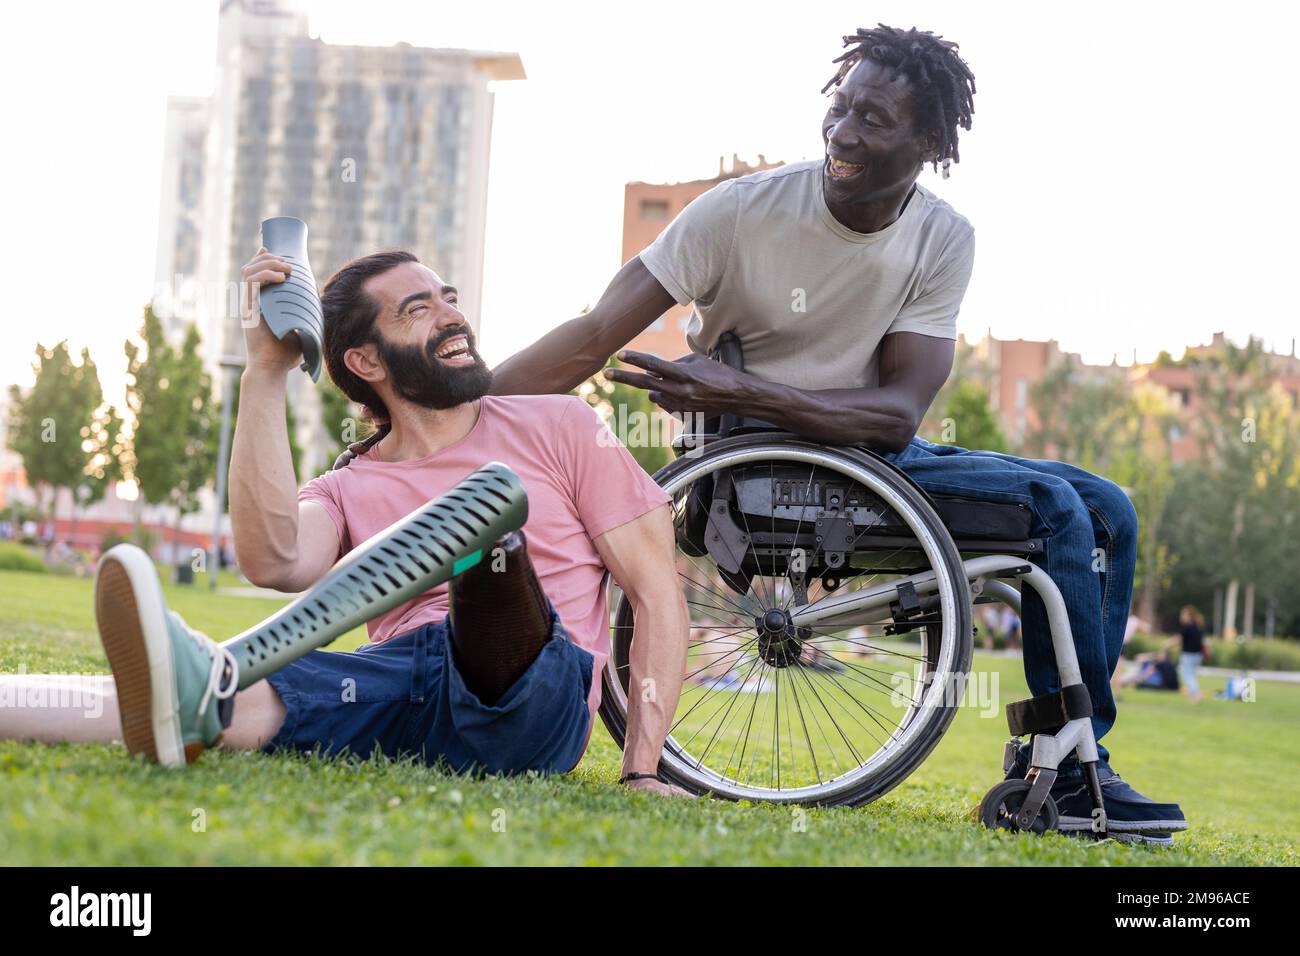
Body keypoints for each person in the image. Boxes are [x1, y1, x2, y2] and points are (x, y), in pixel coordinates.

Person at [488, 24, 1185, 841]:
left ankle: (1068, 750)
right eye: (839, 108)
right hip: (768, 470)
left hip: (875, 453)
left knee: (1108, 505)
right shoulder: (742, 211)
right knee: (1061, 513)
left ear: (928, 140)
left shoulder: (941, 236)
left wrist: (736, 382)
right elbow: (592, 334)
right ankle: (1070, 774)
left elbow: (897, 414)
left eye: (874, 119)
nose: (843, 134)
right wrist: (456, 413)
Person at [0, 248, 692, 796]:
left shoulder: (561, 425)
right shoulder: (345, 485)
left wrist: (642, 770)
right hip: (399, 692)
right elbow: (274, 560)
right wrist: (263, 372)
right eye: (417, 310)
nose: (451, 315)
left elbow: (658, 593)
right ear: (365, 361)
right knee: (201, 700)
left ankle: (466, 539)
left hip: (530, 701)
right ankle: (212, 677)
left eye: (447, 298)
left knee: (491, 510)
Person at [1173, 605, 1208, 703]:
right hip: (1197, 655)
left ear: (1189, 616)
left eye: (1183, 615)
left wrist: (1166, 645)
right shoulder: (1198, 626)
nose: (1181, 617)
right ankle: (1193, 696)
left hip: (1188, 655)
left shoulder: (1187, 627)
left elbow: (1178, 639)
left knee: (1187, 675)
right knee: (1191, 675)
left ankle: (1196, 695)